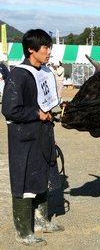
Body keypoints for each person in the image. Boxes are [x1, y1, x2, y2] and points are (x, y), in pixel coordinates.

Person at [1, 29, 64, 246]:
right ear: (31, 50)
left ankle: (41, 222)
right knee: (25, 181)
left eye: (49, 47)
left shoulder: (44, 71)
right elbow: (10, 110)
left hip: (42, 134)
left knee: (42, 176)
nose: (49, 52)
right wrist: (36, 114)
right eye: (45, 47)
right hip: (24, 138)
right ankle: (23, 231)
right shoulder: (19, 75)